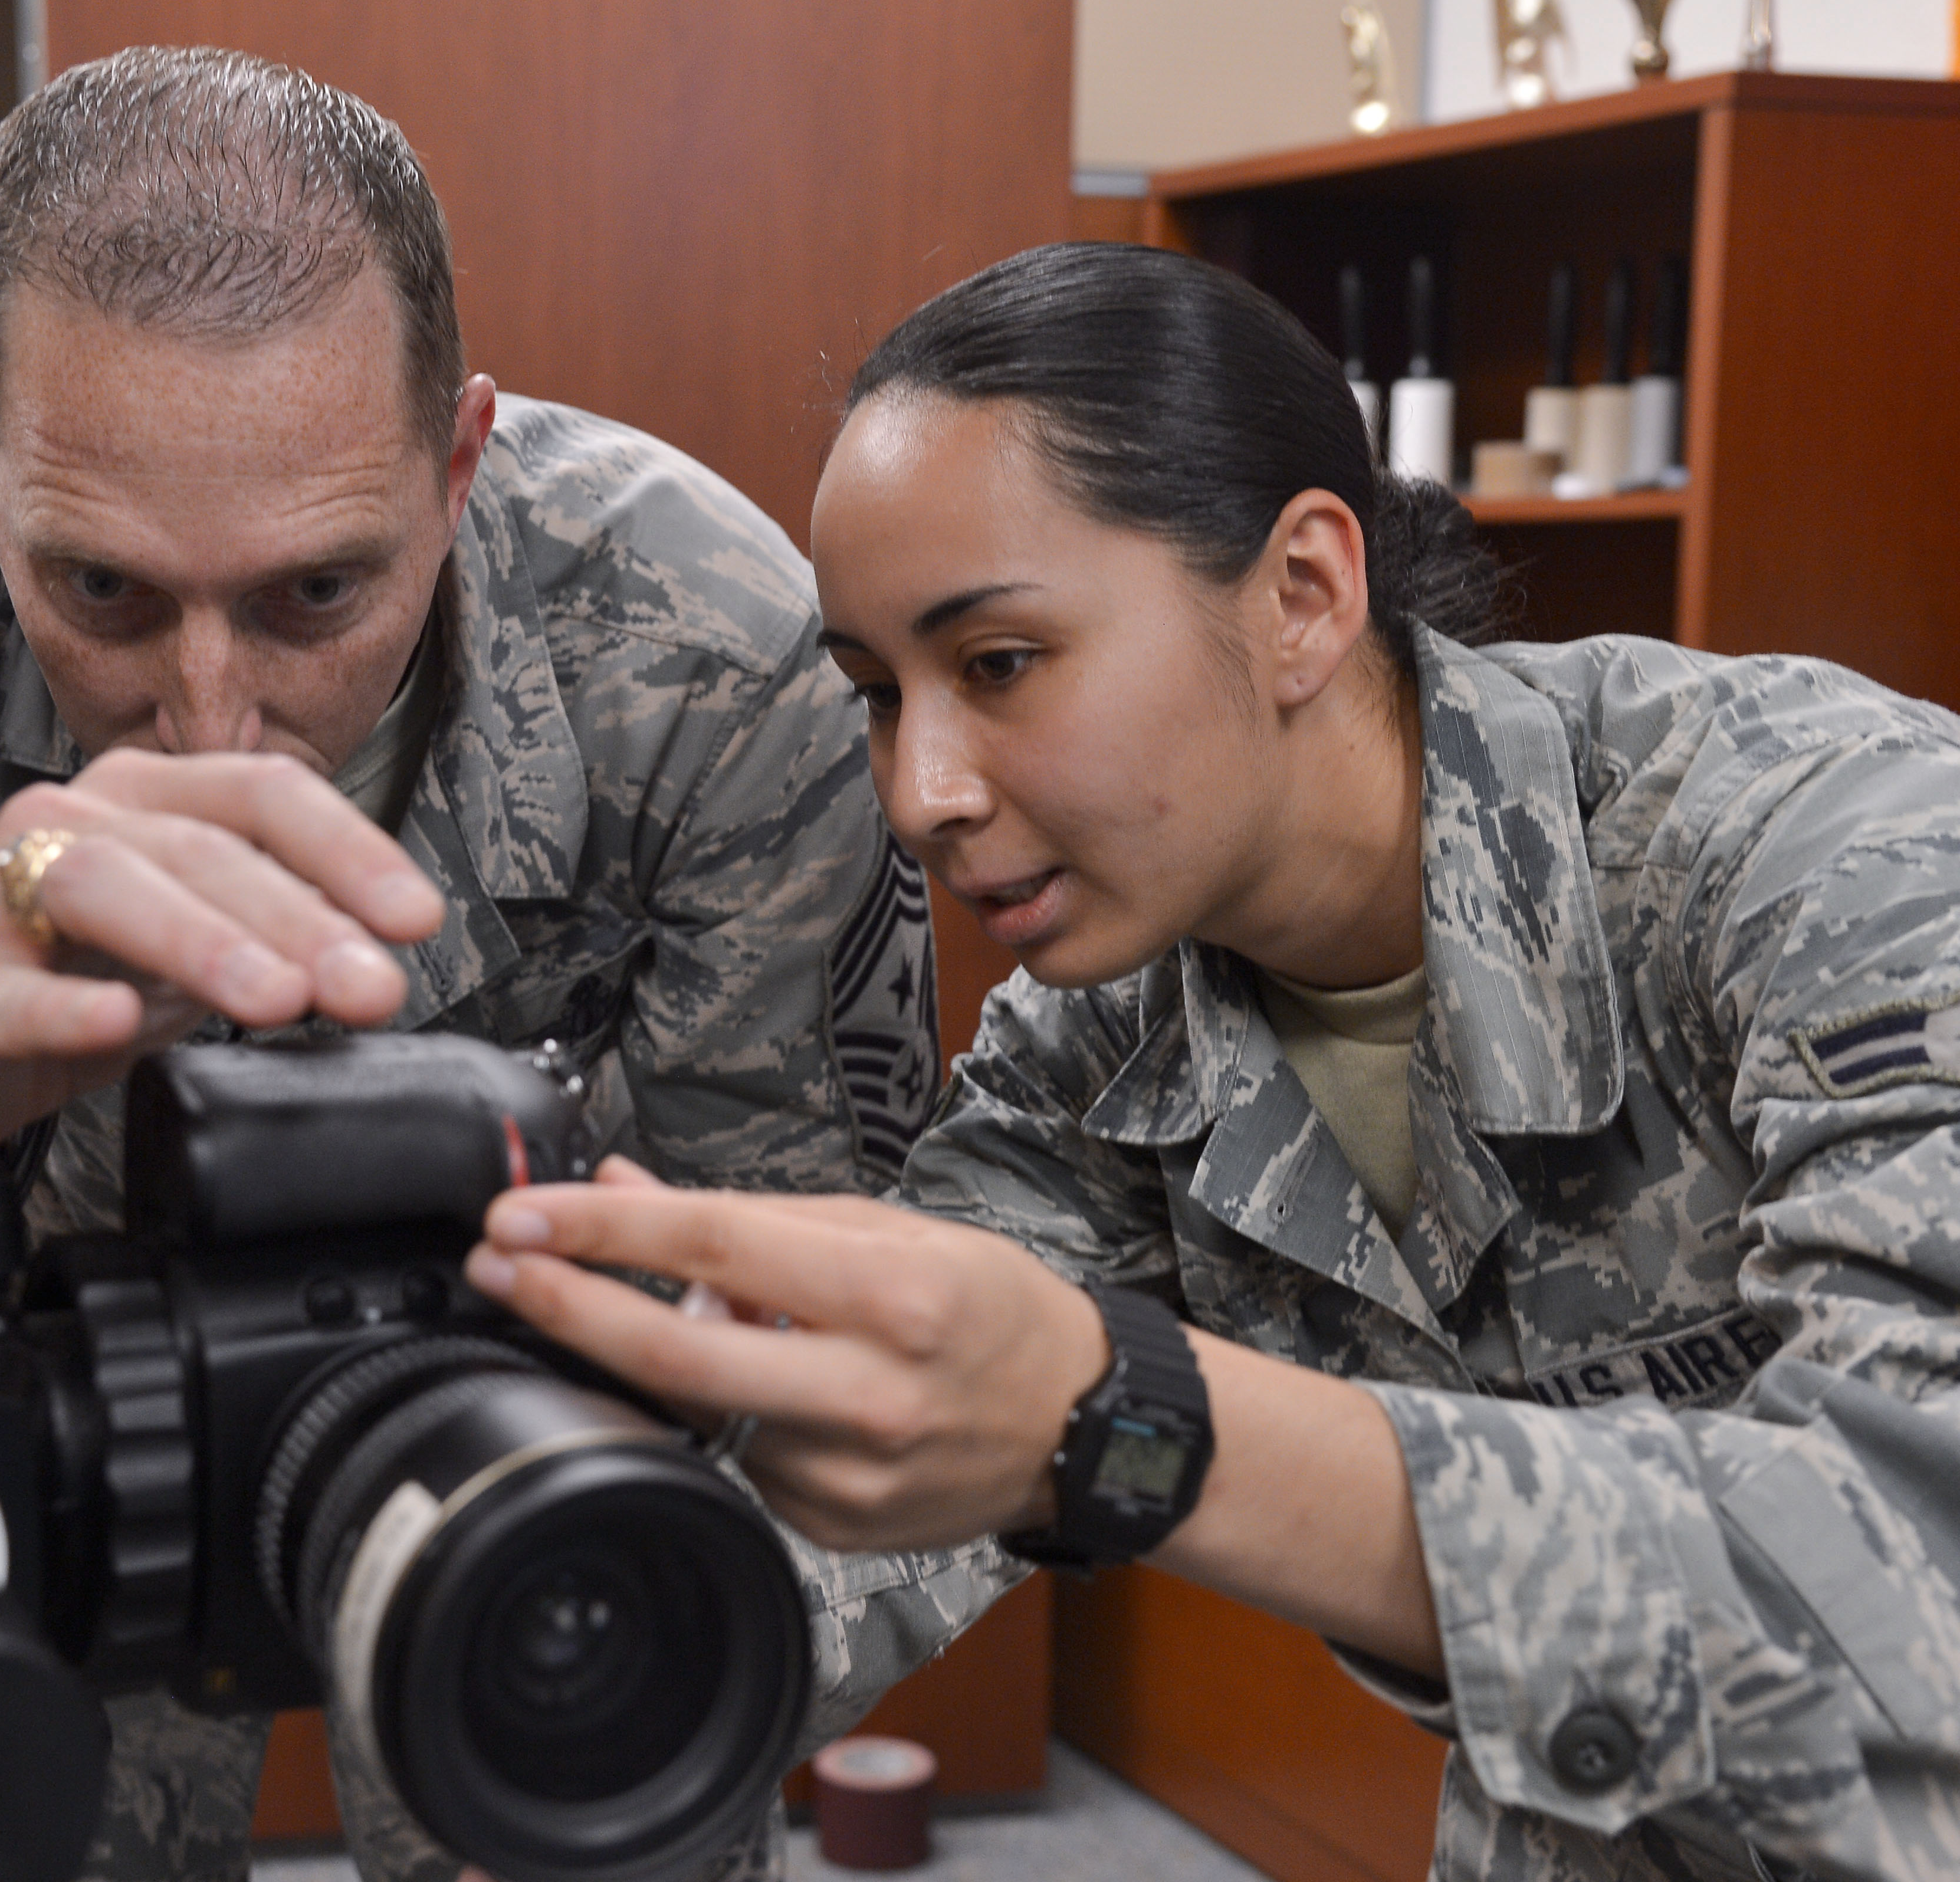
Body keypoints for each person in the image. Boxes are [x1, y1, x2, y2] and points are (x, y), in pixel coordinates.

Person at [0, 48, 978, 1882]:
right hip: (23, 1425)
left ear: (458, 464)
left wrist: (654, 1629)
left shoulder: (694, 633)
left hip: (505, 1407)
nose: (209, 714)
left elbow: (793, 1266)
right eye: (104, 594)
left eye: (313, 597)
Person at [464, 242, 1960, 1882]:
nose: (921, 791)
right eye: (879, 696)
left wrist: (1126, 1423)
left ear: (1302, 595)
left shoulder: (1841, 856)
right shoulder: (1103, 1033)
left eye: (997, 665)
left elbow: (1909, 1575)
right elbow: (869, 1470)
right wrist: (555, 1652)